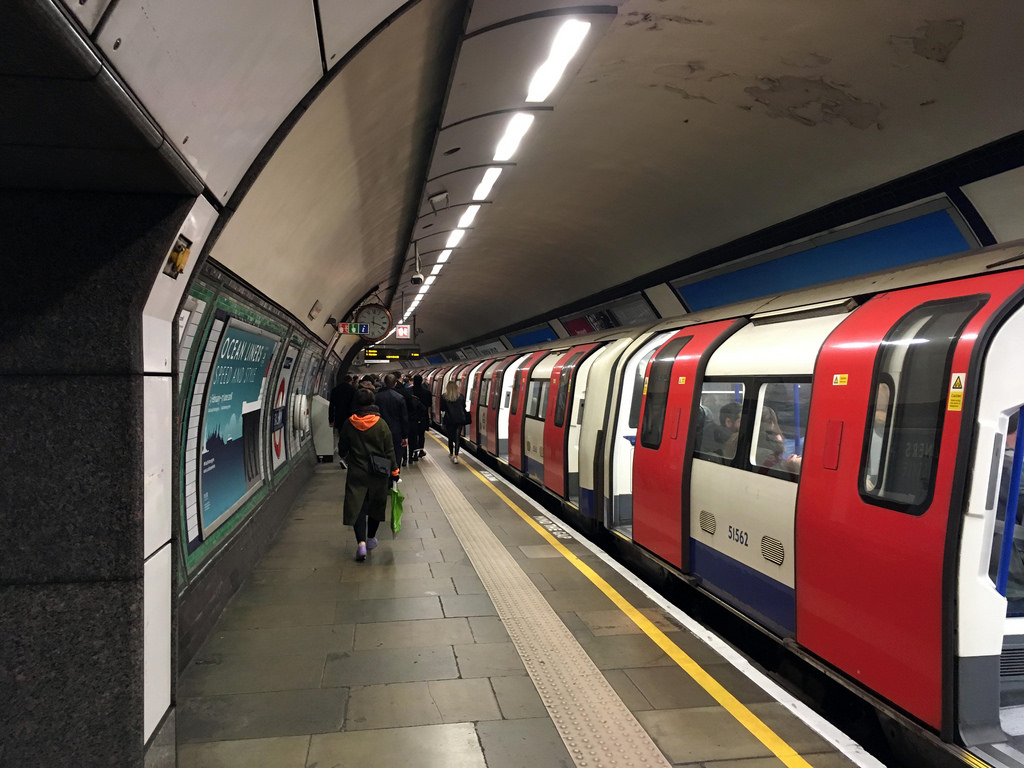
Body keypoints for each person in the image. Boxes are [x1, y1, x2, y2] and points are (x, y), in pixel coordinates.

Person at [337, 388, 399, 561]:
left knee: (358, 507)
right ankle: (371, 538)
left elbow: (342, 448)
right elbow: (389, 450)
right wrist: (394, 470)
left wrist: (345, 456)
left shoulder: (349, 423)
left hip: (357, 472)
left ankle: (361, 544)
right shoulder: (381, 424)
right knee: (376, 507)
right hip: (378, 473)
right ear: (373, 402)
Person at [376, 373, 409, 467]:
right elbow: (404, 418)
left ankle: (384, 473)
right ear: (395, 383)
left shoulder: (376, 397)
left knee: (382, 453)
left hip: (380, 430)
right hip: (396, 431)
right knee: (396, 454)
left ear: (384, 383)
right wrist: (405, 436)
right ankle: (395, 474)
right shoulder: (399, 398)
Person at [328, 373, 356, 469]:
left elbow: (331, 406)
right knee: (351, 438)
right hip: (351, 417)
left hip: (339, 417)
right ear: (350, 381)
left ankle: (343, 456)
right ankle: (348, 457)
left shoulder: (335, 390)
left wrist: (331, 419)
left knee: (342, 438)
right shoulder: (353, 390)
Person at [440, 380, 467, 463]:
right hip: (459, 420)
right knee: (457, 437)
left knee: (451, 438)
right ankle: (456, 456)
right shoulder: (461, 396)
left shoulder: (444, 397)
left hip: (449, 420)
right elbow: (464, 407)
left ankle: (451, 453)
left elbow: (442, 408)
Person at [409, 374, 432, 460]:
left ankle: (414, 452)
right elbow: (429, 404)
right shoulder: (427, 392)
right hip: (423, 416)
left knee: (413, 435)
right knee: (421, 434)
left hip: (412, 416)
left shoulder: (410, 391)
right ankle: (421, 450)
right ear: (422, 381)